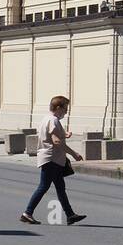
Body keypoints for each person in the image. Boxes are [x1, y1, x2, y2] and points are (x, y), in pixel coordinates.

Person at [20, 95, 86, 225]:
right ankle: (27, 213)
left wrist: (64, 134)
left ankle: (70, 215)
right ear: (58, 108)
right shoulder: (53, 120)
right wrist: (73, 153)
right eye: (65, 108)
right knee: (43, 186)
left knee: (60, 187)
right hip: (51, 159)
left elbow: (52, 136)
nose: (66, 111)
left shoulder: (47, 119)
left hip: (53, 159)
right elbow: (56, 141)